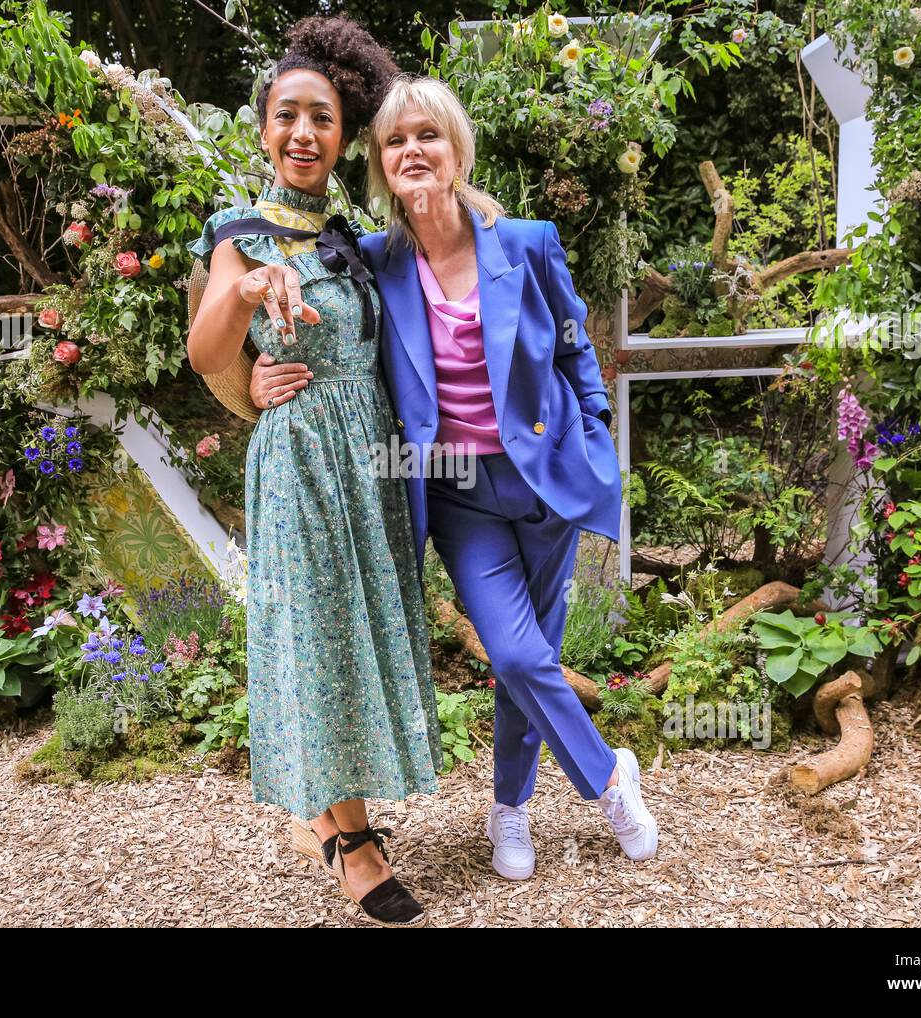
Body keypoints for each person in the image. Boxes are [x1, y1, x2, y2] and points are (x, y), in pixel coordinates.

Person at [250, 74, 658, 882]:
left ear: (456, 149)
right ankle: (609, 777)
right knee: (511, 653)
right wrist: (256, 378)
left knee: (533, 657)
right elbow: (296, 314)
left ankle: (509, 807)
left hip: (546, 483)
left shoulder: (530, 242)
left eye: (427, 136)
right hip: (459, 493)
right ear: (379, 162)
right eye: (396, 140)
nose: (413, 152)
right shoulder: (371, 260)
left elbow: (578, 348)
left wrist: (600, 440)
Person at [187, 18, 441, 927]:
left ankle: (324, 811)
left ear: (343, 137)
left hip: (367, 459)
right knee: (318, 638)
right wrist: (246, 298)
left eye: (322, 119)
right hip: (298, 458)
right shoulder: (238, 233)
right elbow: (204, 347)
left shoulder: (353, 234)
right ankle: (353, 842)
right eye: (287, 115)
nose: (303, 132)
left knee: (358, 628)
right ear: (263, 128)